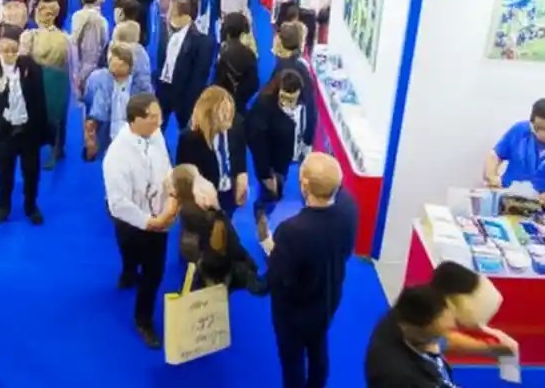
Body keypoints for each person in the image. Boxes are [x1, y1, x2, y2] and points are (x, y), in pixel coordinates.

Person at [266, 152, 358, 388]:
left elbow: (278, 277)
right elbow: (346, 251)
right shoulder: (349, 209)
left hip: (294, 311)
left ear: (304, 184)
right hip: (328, 298)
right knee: (319, 348)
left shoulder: (291, 231)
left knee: (293, 360)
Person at [102, 94, 178, 349]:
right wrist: (150, 222)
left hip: (160, 218)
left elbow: (167, 169)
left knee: (154, 272)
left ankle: (142, 318)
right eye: (153, 117)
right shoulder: (116, 156)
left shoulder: (156, 135)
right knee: (129, 251)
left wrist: (170, 204)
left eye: (160, 115)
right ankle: (128, 271)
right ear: (135, 120)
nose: (160, 121)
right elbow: (118, 204)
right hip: (132, 221)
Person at [0, 31, 49, 225]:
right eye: (4, 50)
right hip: (4, 131)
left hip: (28, 130)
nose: (9, 54)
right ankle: (3, 207)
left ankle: (31, 206)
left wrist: (43, 131)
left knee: (32, 172)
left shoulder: (30, 65)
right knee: (5, 172)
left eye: (13, 50)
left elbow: (40, 98)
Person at [170, 164, 264, 294]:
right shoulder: (210, 215)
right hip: (218, 270)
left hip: (206, 272)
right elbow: (233, 245)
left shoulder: (186, 212)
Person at [250, 69, 314, 226]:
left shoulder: (307, 102)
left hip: (292, 157)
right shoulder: (264, 106)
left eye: (292, 99)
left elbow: (311, 122)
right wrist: (265, 175)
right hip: (273, 163)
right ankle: (261, 221)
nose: (288, 103)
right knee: (270, 195)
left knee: (281, 190)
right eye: (284, 98)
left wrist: (307, 148)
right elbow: (258, 145)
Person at [364, 285, 459, 387]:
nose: (453, 324)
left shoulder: (406, 314)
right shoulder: (400, 376)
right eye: (442, 319)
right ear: (421, 329)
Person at [175, 86, 247, 217]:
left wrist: (242, 174)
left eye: (230, 111)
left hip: (228, 195)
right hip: (203, 201)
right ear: (209, 113)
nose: (228, 116)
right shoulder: (190, 139)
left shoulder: (237, 126)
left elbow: (239, 154)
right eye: (223, 111)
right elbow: (185, 175)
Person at [20, 0, 70, 166]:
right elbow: (70, 62)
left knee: (35, 114)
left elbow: (23, 60)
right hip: (59, 78)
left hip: (37, 78)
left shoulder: (29, 36)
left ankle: (35, 146)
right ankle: (58, 148)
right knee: (59, 114)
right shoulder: (65, 38)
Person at [156, 0, 213, 132]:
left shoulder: (203, 43)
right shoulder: (163, 33)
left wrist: (189, 103)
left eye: (171, 11)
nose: (168, 15)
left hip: (184, 95)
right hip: (163, 89)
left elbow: (199, 77)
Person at [82, 44, 142, 161]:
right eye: (114, 60)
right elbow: (89, 100)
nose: (117, 64)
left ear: (129, 66)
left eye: (121, 61)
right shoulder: (98, 78)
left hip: (130, 137)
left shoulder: (137, 85)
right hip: (107, 133)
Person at [69, 0, 109, 97]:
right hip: (94, 63)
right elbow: (104, 41)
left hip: (78, 64)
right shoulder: (101, 20)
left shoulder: (76, 16)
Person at [215, 12, 259, 115]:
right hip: (240, 104)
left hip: (223, 102)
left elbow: (217, 79)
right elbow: (254, 84)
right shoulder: (249, 54)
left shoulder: (224, 51)